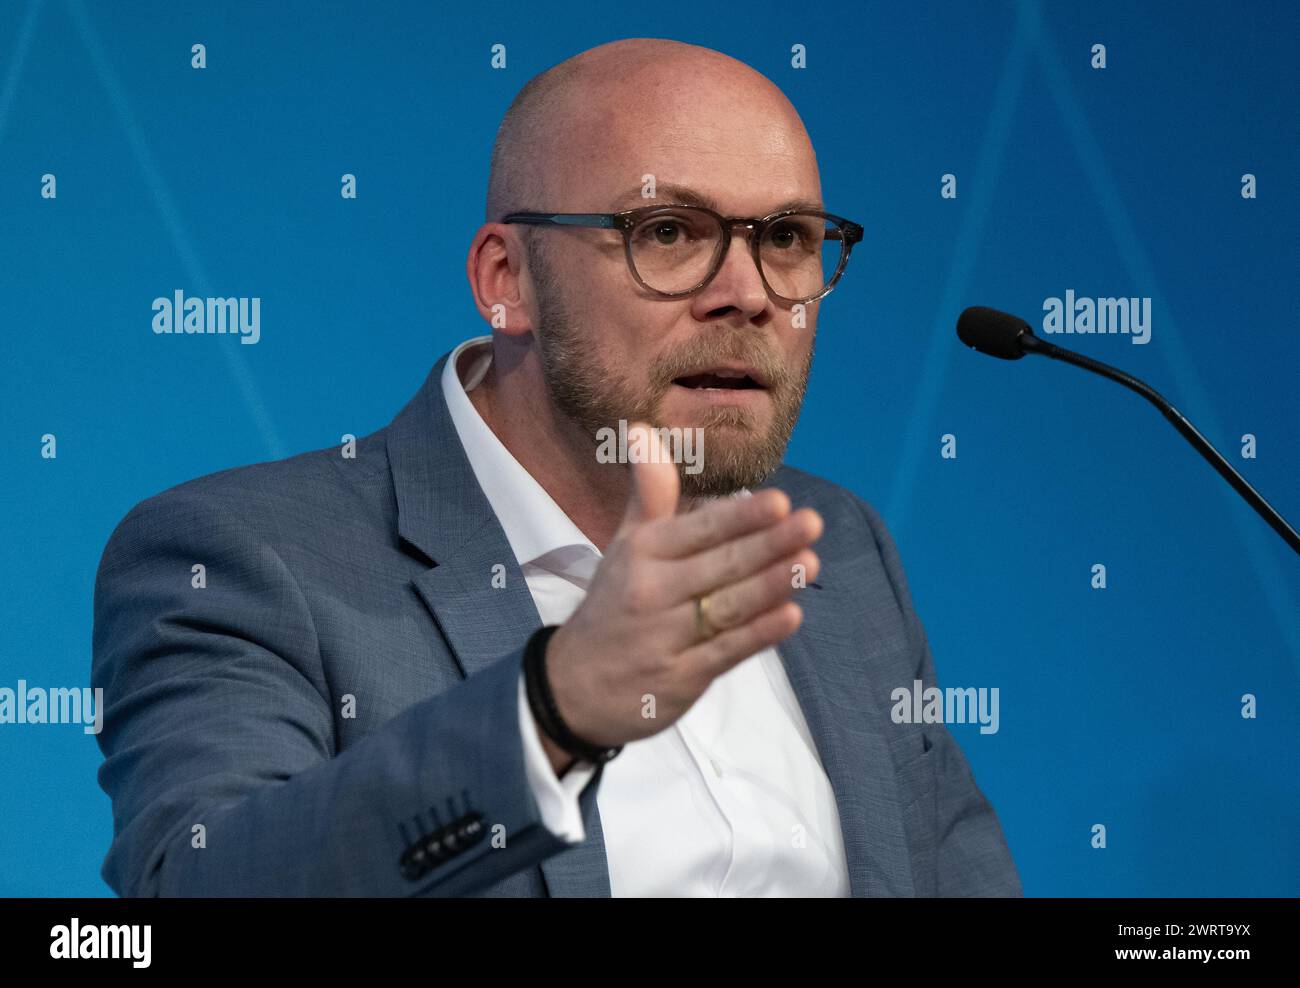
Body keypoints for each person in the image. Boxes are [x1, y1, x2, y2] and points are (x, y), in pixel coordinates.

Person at [92, 37, 1021, 897]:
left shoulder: (838, 543)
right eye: (668, 232)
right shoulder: (246, 558)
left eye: (785, 238)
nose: (747, 295)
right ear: (508, 280)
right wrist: (554, 708)